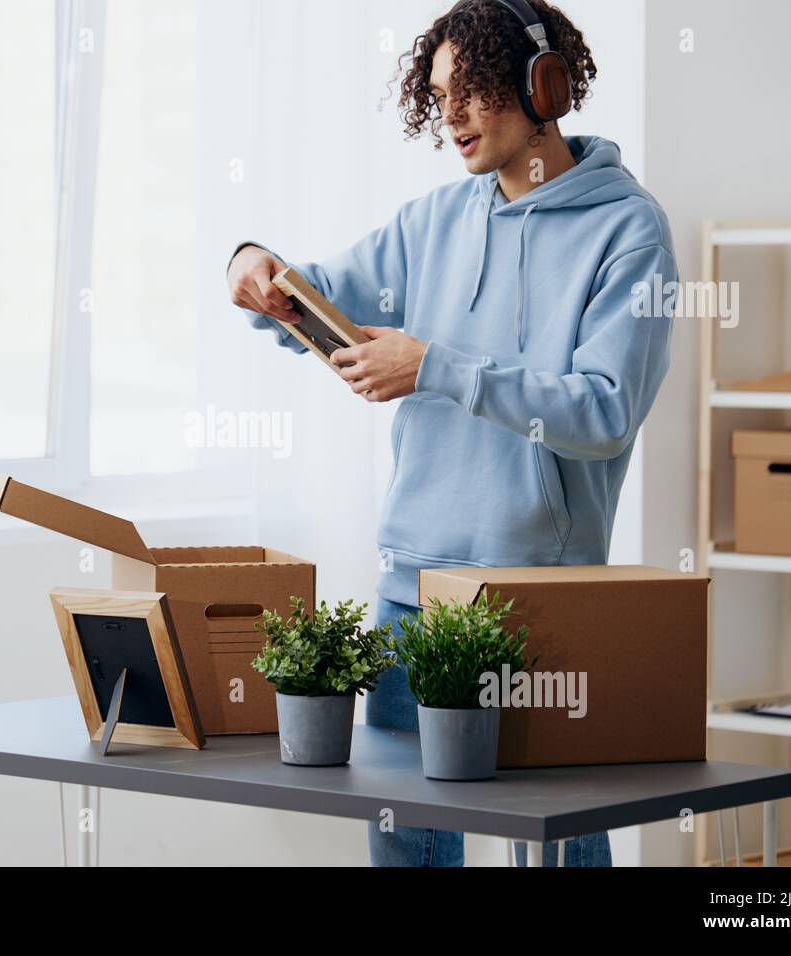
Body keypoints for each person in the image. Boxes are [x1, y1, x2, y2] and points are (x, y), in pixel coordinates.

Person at [225, 0, 676, 867]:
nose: (452, 115)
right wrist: (254, 265)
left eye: (470, 89)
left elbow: (605, 412)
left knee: (554, 842)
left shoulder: (628, 231)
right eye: (437, 96)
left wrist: (436, 367)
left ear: (541, 83)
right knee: (409, 841)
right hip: (413, 587)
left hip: (538, 595)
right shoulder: (434, 220)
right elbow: (317, 293)